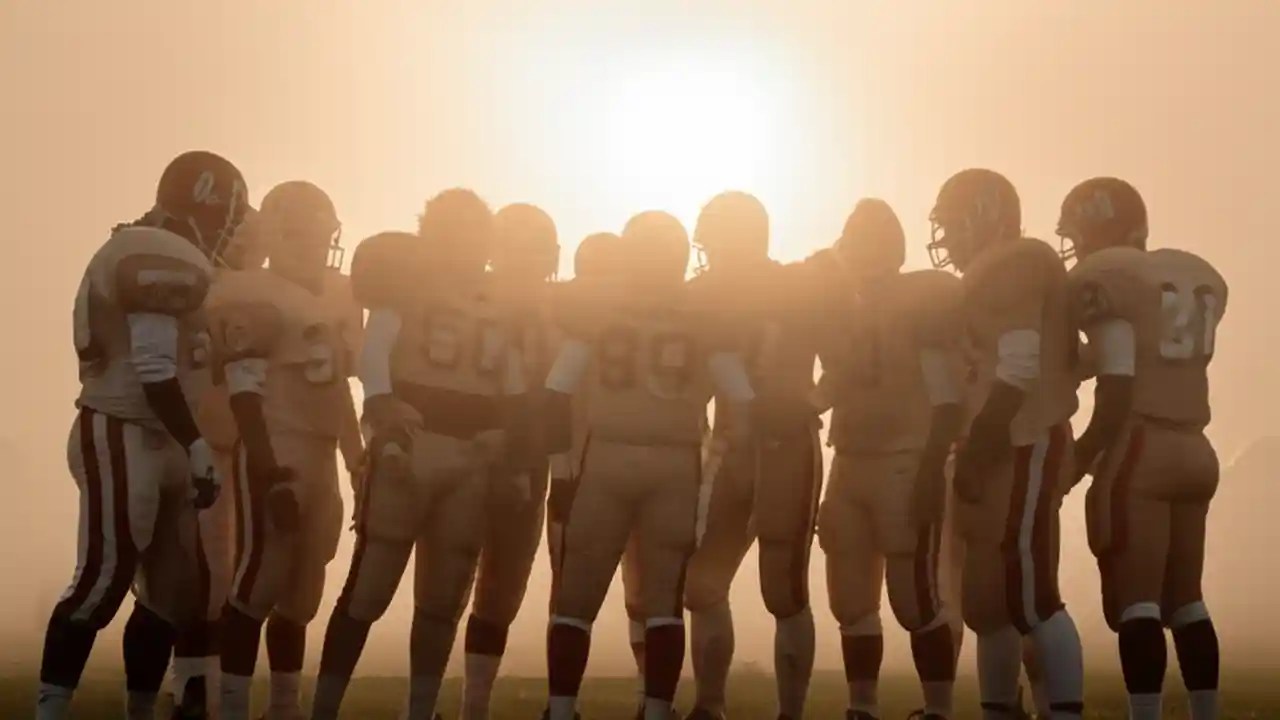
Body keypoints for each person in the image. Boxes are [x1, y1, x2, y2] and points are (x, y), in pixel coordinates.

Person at [39, 150, 247, 720]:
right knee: (102, 581)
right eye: (232, 207)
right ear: (210, 200)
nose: (236, 223)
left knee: (170, 596)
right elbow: (154, 367)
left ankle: (141, 712)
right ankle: (49, 710)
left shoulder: (157, 249)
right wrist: (200, 443)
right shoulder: (156, 250)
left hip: (163, 436)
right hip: (124, 428)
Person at [312, 189, 526, 720]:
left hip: (471, 457)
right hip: (412, 449)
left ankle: (420, 712)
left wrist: (508, 436)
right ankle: (323, 710)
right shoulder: (405, 281)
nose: (467, 247)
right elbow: (374, 352)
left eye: (475, 235)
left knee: (441, 601)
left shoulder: (499, 299)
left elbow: (513, 378)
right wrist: (382, 409)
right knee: (369, 589)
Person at [540, 211, 756, 720]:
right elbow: (741, 398)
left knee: (577, 597)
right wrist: (724, 459)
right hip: (675, 465)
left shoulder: (599, 309)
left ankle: (561, 708)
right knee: (663, 599)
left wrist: (563, 470)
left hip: (608, 457)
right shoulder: (705, 313)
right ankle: (657, 712)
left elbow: (556, 392)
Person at [1060, 177, 1226, 720]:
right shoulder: (1191, 274)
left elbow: (1119, 379)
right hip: (1196, 449)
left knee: (1137, 603)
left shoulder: (1107, 276)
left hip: (1140, 446)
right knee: (1188, 600)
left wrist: (1082, 456)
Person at [927, 168, 1085, 720]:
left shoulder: (1017, 261)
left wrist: (979, 447)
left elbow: (1018, 366)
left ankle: (1062, 712)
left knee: (1030, 594)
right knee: (986, 604)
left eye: (951, 222)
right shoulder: (994, 271)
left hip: (1018, 439)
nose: (945, 236)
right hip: (998, 439)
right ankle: (1000, 711)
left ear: (981, 217)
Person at [207, 181, 361, 720]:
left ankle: (284, 707)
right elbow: (242, 388)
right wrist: (269, 471)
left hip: (321, 452)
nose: (313, 243)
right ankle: (229, 709)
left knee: (303, 590)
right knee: (258, 581)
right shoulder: (247, 290)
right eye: (302, 232)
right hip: (274, 443)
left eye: (319, 233)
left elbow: (338, 384)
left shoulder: (342, 293)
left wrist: (354, 456)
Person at [677, 192, 825, 720]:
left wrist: (811, 401)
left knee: (782, 589)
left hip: (785, 446)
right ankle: (710, 705)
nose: (708, 253)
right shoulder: (796, 283)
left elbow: (846, 359)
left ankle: (790, 713)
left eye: (714, 240)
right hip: (731, 442)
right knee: (700, 584)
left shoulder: (797, 287)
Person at [816, 199, 963, 720]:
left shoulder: (919, 302)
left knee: (914, 598)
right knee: (851, 600)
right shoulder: (846, 310)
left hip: (904, 459)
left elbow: (947, 399)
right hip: (850, 460)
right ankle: (863, 707)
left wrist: (930, 468)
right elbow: (836, 382)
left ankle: (938, 709)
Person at [459, 202, 561, 720]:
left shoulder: (546, 303)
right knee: (471, 582)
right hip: (485, 448)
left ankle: (467, 705)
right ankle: (463, 704)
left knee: (490, 586)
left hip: (507, 449)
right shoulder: (483, 298)